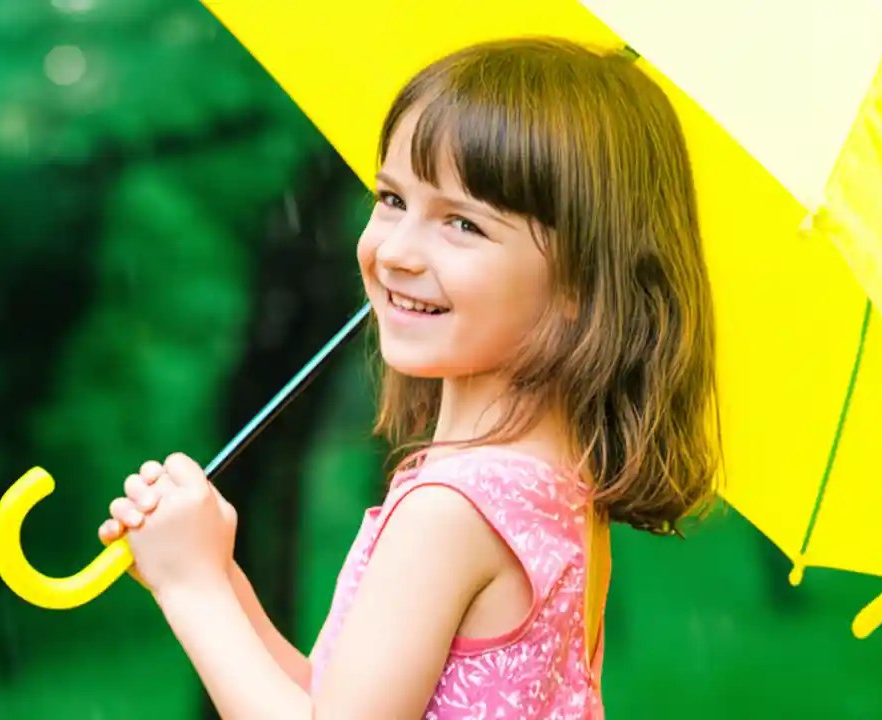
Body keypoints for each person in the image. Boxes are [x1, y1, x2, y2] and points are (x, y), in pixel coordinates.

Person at [97, 37, 720, 719]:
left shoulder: (451, 511)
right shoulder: (554, 487)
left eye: (461, 223)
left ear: (583, 283)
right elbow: (341, 698)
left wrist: (192, 589)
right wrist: (216, 576)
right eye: (392, 199)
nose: (395, 252)